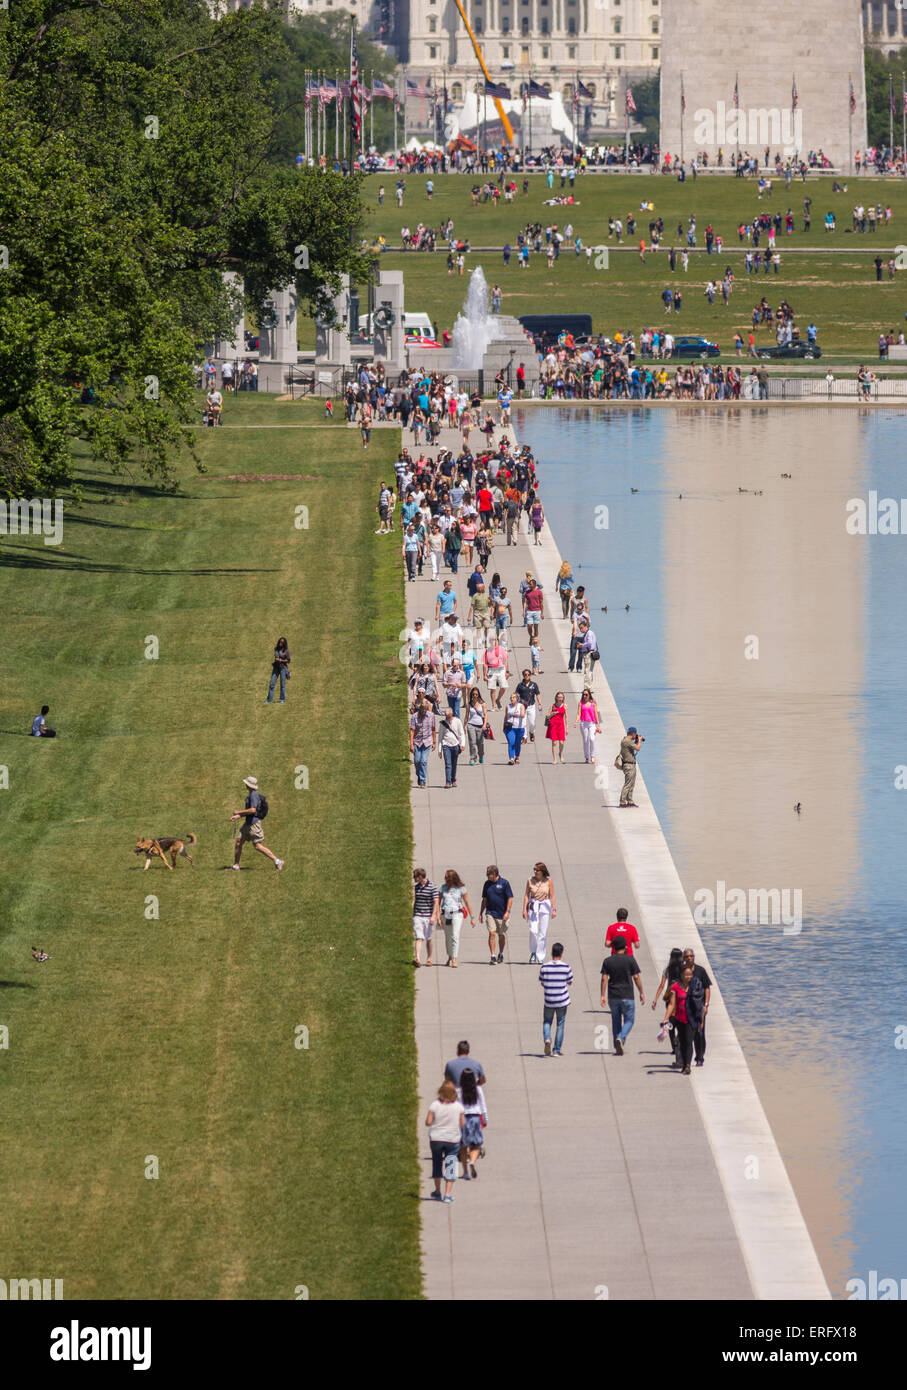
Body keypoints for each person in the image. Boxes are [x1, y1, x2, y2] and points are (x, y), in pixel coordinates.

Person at [600, 934, 644, 1055]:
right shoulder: (630, 959)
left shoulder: (607, 961)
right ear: (625, 946)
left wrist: (602, 995)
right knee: (629, 1020)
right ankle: (621, 1037)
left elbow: (604, 978)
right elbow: (636, 977)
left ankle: (617, 1044)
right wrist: (641, 992)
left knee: (615, 1020)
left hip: (613, 995)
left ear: (613, 947)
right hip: (627, 995)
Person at [231, 775, 284, 870]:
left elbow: (252, 810)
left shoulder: (253, 795)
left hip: (254, 825)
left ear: (250, 785)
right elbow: (249, 812)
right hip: (248, 823)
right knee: (239, 842)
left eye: (246, 783)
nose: (245, 785)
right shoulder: (252, 795)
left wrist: (238, 812)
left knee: (258, 846)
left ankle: (277, 861)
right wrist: (237, 816)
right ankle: (236, 865)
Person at [425, 1081, 465, 1202]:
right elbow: (463, 1123)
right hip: (452, 1139)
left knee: (437, 1163)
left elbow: (428, 1122)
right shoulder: (458, 1107)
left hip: (436, 1138)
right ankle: (447, 1194)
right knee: (450, 1164)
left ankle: (437, 1191)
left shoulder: (434, 1105)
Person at [539, 942, 573, 1057]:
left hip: (549, 999)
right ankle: (556, 1050)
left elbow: (542, 982)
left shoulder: (544, 967)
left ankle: (547, 1039)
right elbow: (570, 981)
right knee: (560, 1024)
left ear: (551, 953)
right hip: (562, 1000)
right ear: (561, 954)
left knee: (547, 1021)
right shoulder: (566, 967)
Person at [439, 869, 476, 966]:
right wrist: (437, 917)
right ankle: (450, 956)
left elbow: (467, 903)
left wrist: (472, 917)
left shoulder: (461, 888)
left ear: (453, 878)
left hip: (457, 914)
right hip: (445, 913)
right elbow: (437, 903)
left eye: (447, 878)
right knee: (448, 937)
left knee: (455, 935)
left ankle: (454, 959)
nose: (445, 879)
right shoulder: (443, 888)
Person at [682, 946, 712, 1066]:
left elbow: (707, 988)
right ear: (684, 958)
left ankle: (700, 1058)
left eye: (691, 956)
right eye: (687, 956)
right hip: (685, 1008)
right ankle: (685, 1060)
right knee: (687, 1034)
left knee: (699, 1033)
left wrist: (706, 1005)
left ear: (694, 957)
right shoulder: (682, 971)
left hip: (699, 1008)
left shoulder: (700, 971)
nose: (689, 958)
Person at [662, 966, 695, 1073]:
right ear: (681, 975)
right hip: (679, 1018)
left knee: (689, 1041)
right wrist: (666, 1018)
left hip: (691, 1019)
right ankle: (684, 1063)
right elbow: (671, 1004)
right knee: (682, 1042)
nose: (688, 977)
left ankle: (688, 1066)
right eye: (686, 974)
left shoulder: (695, 986)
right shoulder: (675, 987)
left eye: (690, 974)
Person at [523, 861, 556, 964]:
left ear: (542, 871)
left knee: (543, 933)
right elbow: (526, 895)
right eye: (534, 869)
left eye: (537, 870)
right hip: (534, 907)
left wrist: (554, 909)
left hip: (545, 907)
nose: (535, 871)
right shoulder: (530, 880)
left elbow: (552, 895)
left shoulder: (548, 881)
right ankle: (533, 952)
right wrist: (524, 909)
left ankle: (540, 955)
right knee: (533, 930)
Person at [480, 864, 514, 965]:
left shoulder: (504, 883)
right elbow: (484, 899)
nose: (487, 876)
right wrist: (481, 912)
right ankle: (493, 956)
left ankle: (501, 953)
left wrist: (507, 911)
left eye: (488, 874)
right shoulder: (487, 884)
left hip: (502, 913)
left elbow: (510, 898)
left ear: (494, 874)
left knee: (501, 934)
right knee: (492, 933)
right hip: (490, 912)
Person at [457, 1067, 487, 1179]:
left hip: (463, 1118)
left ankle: (465, 1171)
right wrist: (485, 1119)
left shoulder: (459, 1090)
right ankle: (472, 1162)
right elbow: (483, 1105)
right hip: (475, 1117)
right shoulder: (477, 1088)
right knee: (476, 1144)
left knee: (463, 1146)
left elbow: (457, 1106)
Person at [412, 867, 440, 966]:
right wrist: (413, 914)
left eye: (415, 877)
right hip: (418, 915)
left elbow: (436, 902)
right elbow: (415, 900)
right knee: (418, 937)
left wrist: (433, 916)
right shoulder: (417, 887)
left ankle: (429, 959)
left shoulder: (433, 887)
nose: (414, 879)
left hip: (428, 916)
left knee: (428, 938)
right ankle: (417, 958)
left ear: (420, 877)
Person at [409, 695, 437, 788]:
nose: (424, 711)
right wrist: (411, 744)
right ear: (420, 709)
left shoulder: (431, 716)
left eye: (425, 709)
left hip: (427, 741)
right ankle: (419, 775)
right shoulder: (414, 717)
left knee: (423, 761)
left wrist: (434, 742)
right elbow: (412, 731)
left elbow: (433, 729)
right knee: (417, 761)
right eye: (422, 710)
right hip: (417, 741)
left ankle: (423, 780)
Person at [438, 705, 466, 788]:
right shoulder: (443, 723)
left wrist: (462, 744)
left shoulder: (457, 721)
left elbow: (461, 734)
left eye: (449, 716)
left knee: (454, 764)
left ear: (452, 714)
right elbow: (440, 737)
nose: (448, 718)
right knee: (448, 764)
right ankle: (448, 781)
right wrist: (440, 750)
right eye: (446, 716)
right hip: (446, 745)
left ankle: (453, 779)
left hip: (456, 745)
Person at [617, 725, 643, 807]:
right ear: (633, 734)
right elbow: (638, 748)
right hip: (628, 765)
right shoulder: (627, 741)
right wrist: (639, 741)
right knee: (628, 784)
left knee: (632, 784)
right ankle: (622, 802)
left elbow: (633, 748)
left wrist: (635, 741)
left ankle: (630, 800)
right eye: (635, 735)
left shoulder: (628, 741)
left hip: (631, 764)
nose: (636, 736)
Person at [574, 688, 601, 763]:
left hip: (592, 724)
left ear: (589, 695)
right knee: (586, 740)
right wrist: (576, 721)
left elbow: (596, 714)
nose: (585, 696)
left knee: (592, 739)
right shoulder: (580, 703)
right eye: (583, 694)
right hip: (584, 723)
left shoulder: (593, 703)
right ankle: (586, 757)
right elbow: (579, 713)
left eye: (586, 694)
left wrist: (598, 725)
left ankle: (592, 756)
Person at [483, 636, 509, 710]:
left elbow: (506, 661)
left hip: (501, 669)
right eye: (491, 640)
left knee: (504, 686)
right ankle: (493, 705)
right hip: (491, 670)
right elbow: (485, 663)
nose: (493, 642)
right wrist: (484, 675)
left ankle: (498, 699)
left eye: (494, 640)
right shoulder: (487, 651)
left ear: (497, 641)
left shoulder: (502, 649)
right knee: (492, 688)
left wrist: (507, 672)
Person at [515, 669, 541, 743]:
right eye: (525, 674)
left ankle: (532, 732)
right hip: (522, 707)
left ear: (530, 675)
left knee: (532, 722)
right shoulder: (520, 685)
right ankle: (524, 737)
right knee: (523, 722)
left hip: (531, 706)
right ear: (523, 676)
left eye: (528, 674)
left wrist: (539, 703)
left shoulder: (534, 685)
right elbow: (516, 695)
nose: (527, 676)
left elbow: (538, 694)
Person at [465, 687, 488, 765]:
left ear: (478, 695)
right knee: (472, 742)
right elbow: (466, 716)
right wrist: (464, 726)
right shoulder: (469, 704)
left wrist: (484, 724)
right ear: (471, 695)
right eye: (473, 694)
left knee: (480, 743)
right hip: (471, 725)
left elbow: (485, 715)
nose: (475, 696)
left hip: (480, 725)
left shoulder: (482, 703)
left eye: (476, 694)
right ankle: (473, 758)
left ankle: (481, 755)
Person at [504, 689, 526, 764]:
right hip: (510, 728)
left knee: (517, 743)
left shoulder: (521, 706)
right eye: (511, 697)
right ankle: (511, 758)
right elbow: (506, 716)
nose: (511, 699)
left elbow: (523, 715)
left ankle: (517, 756)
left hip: (519, 728)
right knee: (511, 742)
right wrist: (504, 726)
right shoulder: (508, 706)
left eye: (513, 697)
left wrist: (515, 714)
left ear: (517, 698)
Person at [266, 636, 291, 703]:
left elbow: (288, 660)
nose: (280, 643)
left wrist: (281, 660)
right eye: (280, 642)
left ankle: (282, 699)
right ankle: (269, 700)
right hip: (276, 668)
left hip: (283, 668)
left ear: (284, 643)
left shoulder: (286, 651)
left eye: (282, 642)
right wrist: (280, 659)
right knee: (272, 684)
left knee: (282, 685)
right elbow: (276, 657)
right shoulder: (276, 649)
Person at [545, 691, 568, 763]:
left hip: (561, 725)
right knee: (554, 743)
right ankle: (554, 759)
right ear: (556, 698)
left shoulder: (565, 706)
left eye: (561, 697)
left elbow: (566, 717)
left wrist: (567, 728)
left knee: (561, 742)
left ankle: (560, 754)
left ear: (563, 698)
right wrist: (552, 713)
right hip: (553, 725)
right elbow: (547, 716)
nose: (560, 698)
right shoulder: (552, 706)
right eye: (559, 697)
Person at [523, 576, 544, 644]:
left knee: (536, 627)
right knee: (529, 626)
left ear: (534, 585)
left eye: (531, 584)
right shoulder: (527, 592)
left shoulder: (539, 592)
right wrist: (523, 611)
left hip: (537, 611)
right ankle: (531, 636)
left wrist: (542, 613)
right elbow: (525, 602)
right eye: (529, 584)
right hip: (529, 611)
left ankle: (535, 640)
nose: (529, 585)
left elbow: (541, 603)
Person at [578, 618, 598, 682]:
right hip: (590, 653)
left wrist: (582, 645)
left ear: (586, 626)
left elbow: (589, 642)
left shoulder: (589, 633)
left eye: (582, 628)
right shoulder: (590, 633)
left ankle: (587, 688)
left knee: (587, 671)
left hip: (588, 654)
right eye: (580, 628)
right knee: (590, 671)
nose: (581, 630)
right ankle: (589, 688)